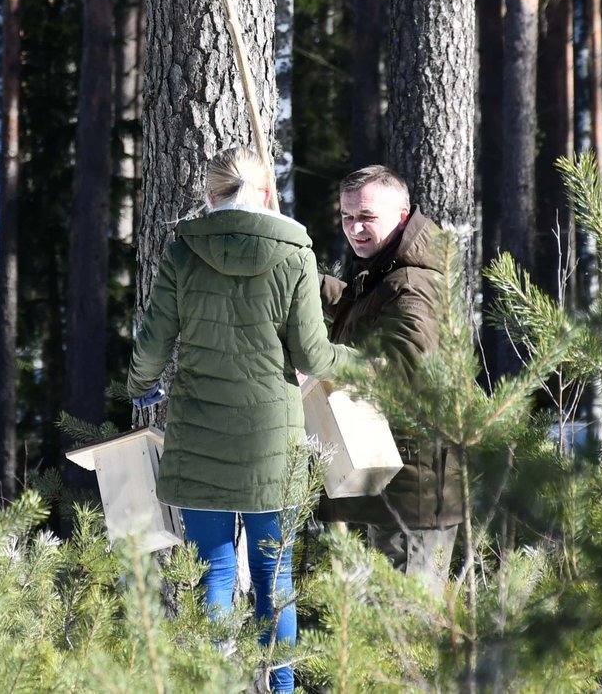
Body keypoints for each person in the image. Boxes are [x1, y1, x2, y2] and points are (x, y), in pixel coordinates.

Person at [127, 146, 352, 694]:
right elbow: (313, 358)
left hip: (199, 437)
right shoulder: (295, 252)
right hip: (272, 444)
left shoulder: (182, 250)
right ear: (268, 191)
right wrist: (364, 363)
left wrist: (141, 387)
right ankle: (281, 689)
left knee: (216, 572)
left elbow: (154, 339)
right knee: (275, 577)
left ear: (209, 194)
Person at [319, 165, 466, 585]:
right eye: (348, 217)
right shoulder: (389, 271)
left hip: (417, 488)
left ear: (402, 215)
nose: (355, 228)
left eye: (367, 217)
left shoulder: (413, 284)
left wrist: (324, 360)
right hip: (398, 478)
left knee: (406, 631)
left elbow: (406, 370)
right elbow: (366, 316)